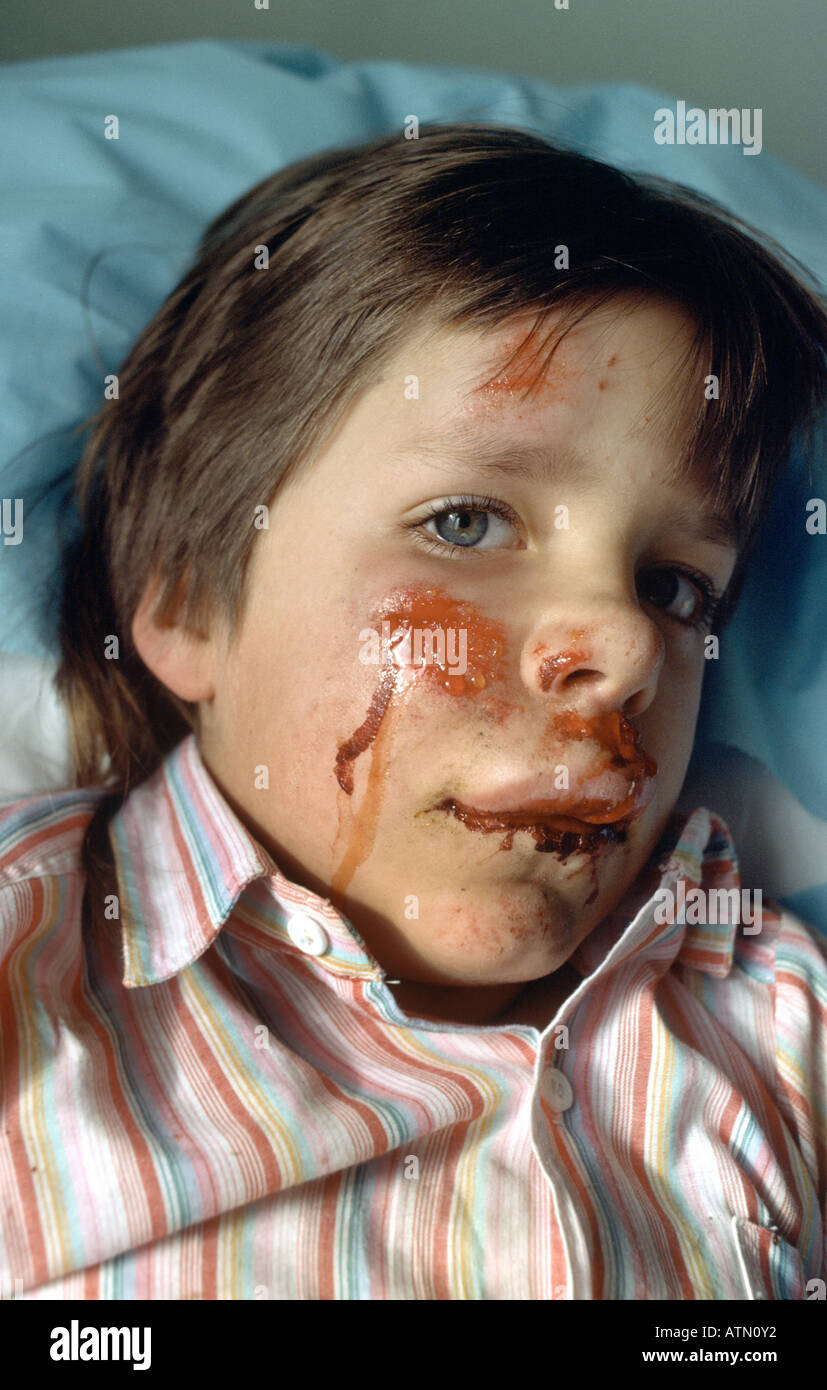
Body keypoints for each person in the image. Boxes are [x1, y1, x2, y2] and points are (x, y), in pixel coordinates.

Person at [1, 123, 825, 1300]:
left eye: (672, 585)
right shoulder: (30, 978)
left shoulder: (776, 1030)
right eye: (464, 522)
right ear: (188, 597)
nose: (630, 643)